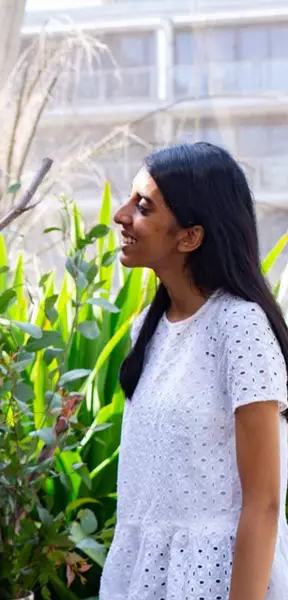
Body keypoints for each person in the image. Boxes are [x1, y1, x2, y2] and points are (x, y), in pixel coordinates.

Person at [99, 141, 288, 599]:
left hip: (213, 580)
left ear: (190, 237)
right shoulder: (147, 328)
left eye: (143, 206)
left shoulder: (239, 326)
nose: (121, 215)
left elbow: (262, 503)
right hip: (141, 580)